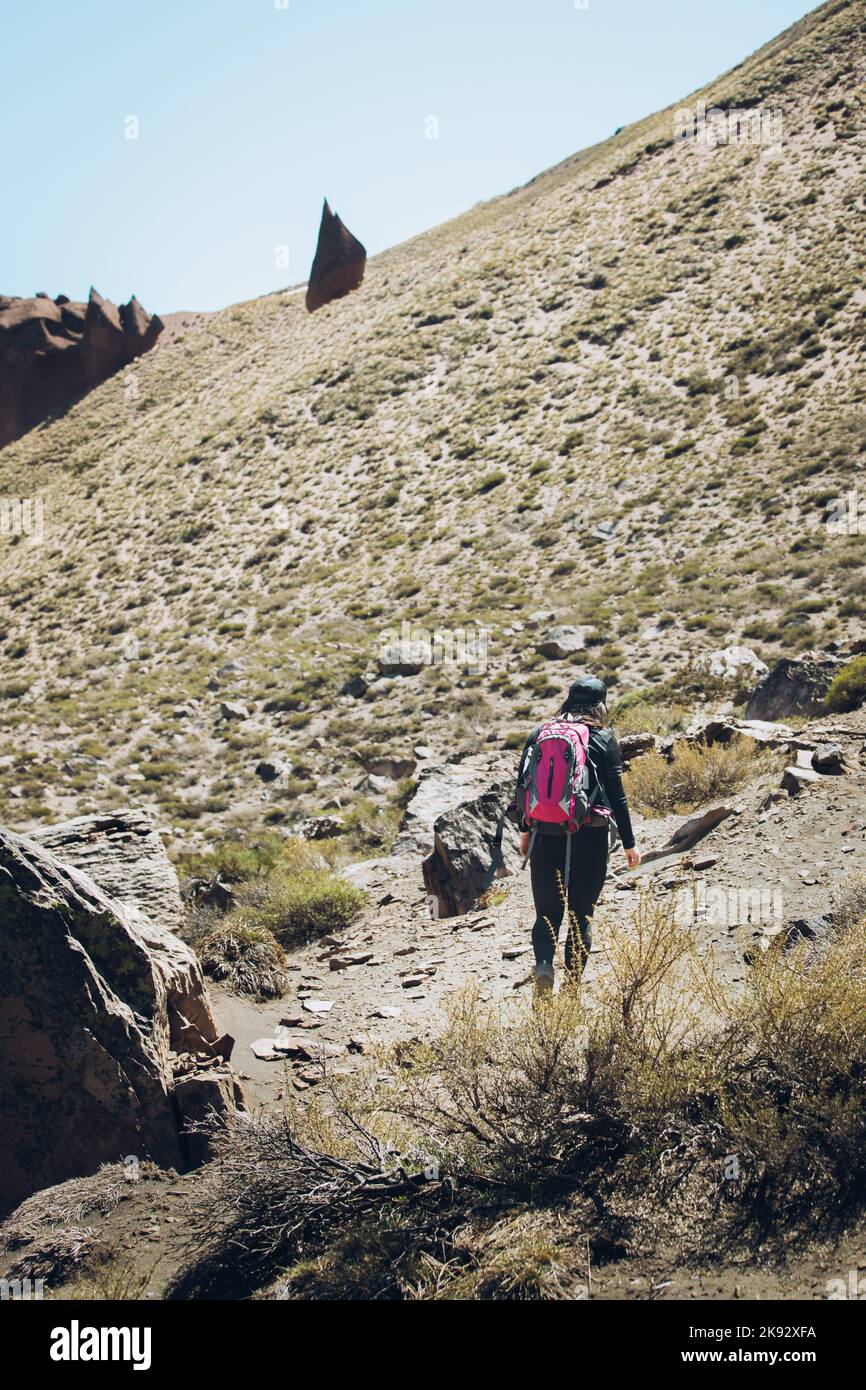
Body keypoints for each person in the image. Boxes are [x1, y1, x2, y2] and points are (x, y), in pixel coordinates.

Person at [516, 675, 640, 994]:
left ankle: (544, 965)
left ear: (568, 701)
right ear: (601, 705)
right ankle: (571, 990)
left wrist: (525, 831)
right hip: (591, 838)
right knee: (580, 915)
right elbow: (617, 795)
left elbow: (522, 786)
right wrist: (629, 843)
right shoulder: (602, 738)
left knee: (547, 913)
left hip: (544, 835)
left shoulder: (540, 734)